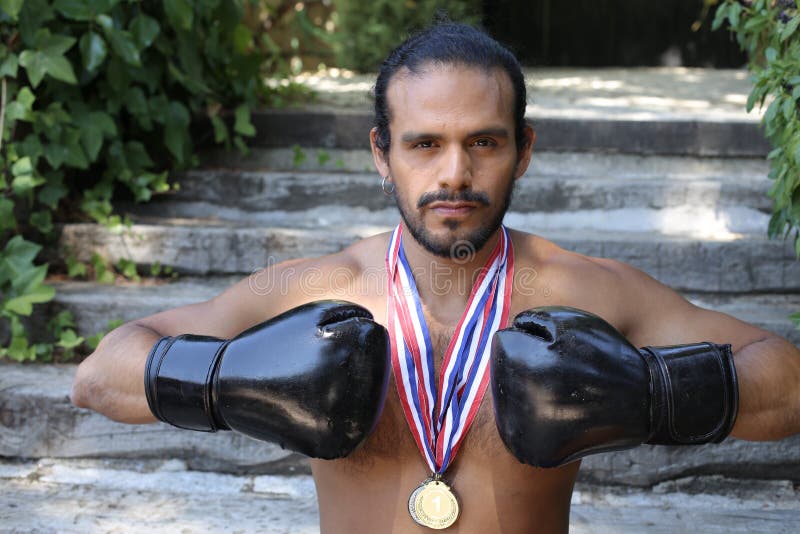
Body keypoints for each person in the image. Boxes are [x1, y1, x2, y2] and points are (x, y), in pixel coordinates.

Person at [71, 22, 800, 533]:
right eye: (424, 144)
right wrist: (229, 381)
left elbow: (788, 383)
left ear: (524, 151)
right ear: (381, 153)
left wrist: (651, 393)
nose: (455, 173)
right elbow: (100, 377)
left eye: (484, 142)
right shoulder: (308, 289)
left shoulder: (592, 293)